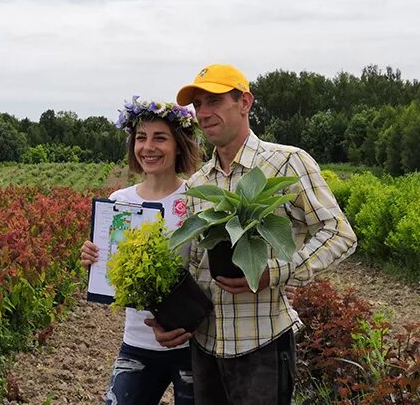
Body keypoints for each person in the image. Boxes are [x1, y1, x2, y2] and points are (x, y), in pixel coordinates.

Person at [144, 64, 358, 404]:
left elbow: (338, 232)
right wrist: (169, 316)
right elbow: (198, 265)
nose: (203, 112)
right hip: (206, 346)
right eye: (198, 105)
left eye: (213, 101)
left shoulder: (287, 163)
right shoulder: (199, 184)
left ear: (244, 102)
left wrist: (276, 271)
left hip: (261, 344)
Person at [80, 96, 203, 405]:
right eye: (141, 138)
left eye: (160, 138)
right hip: (137, 342)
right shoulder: (119, 200)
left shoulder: (197, 199)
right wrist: (94, 260)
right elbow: (112, 270)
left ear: (179, 144)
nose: (148, 147)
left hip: (191, 344)